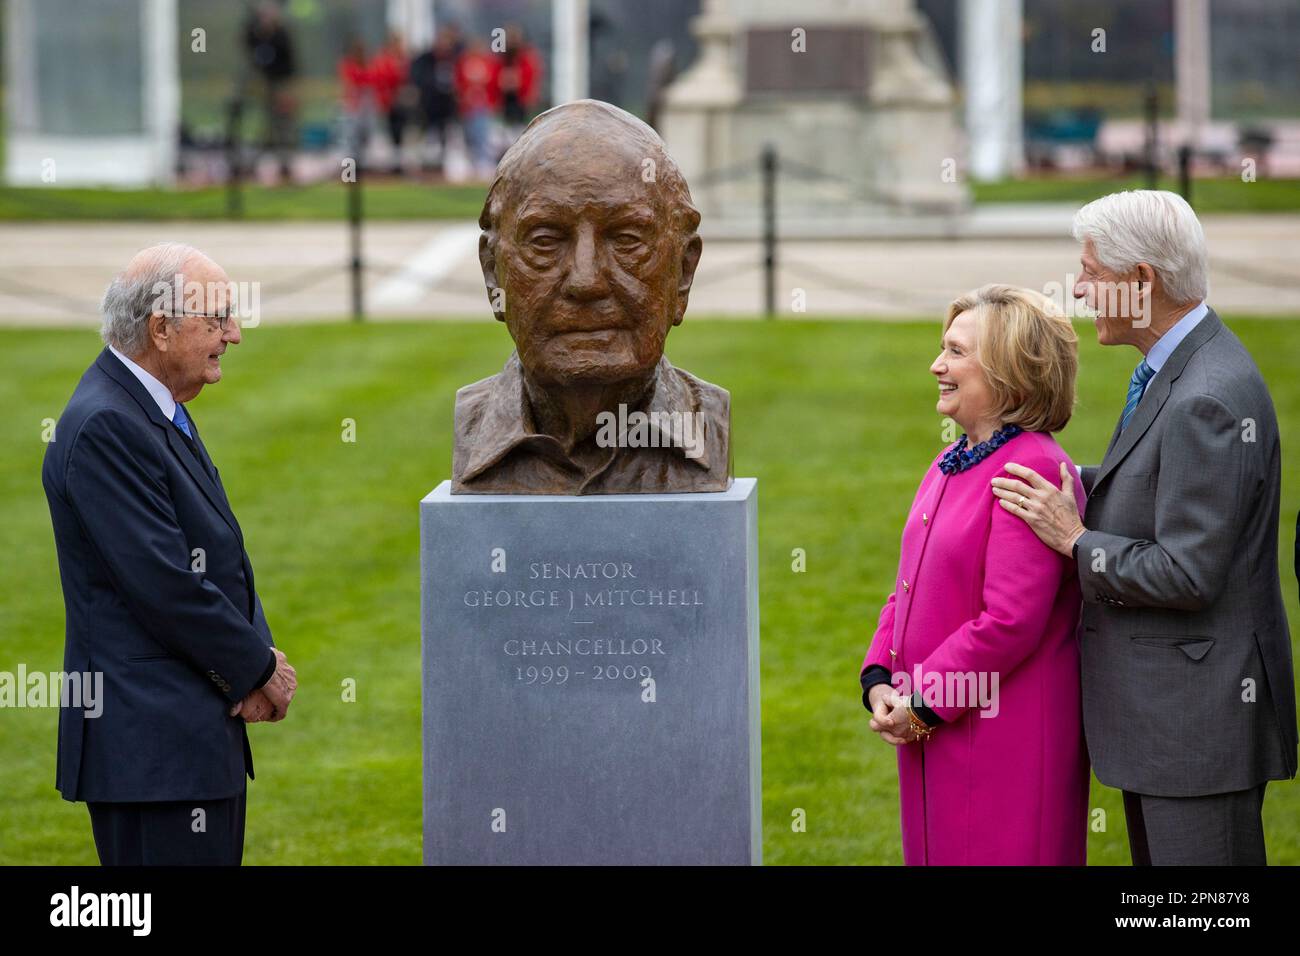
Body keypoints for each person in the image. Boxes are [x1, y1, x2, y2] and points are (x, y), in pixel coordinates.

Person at [995, 190, 1298, 865]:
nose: (1079, 289)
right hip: (1174, 723)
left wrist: (1075, 540)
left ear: (1141, 283)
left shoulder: (1206, 397)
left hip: (1196, 726)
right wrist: (1057, 473)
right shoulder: (1183, 367)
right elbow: (1156, 479)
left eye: (1091, 273)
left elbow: (1187, 572)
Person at [42, 243, 297, 865]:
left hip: (184, 743)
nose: (233, 335)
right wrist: (257, 669)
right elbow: (165, 584)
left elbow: (220, 553)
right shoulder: (109, 425)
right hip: (152, 755)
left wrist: (254, 662)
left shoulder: (152, 406)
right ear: (161, 328)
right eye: (217, 319)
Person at [860, 284, 1089, 865]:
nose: (937, 365)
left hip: (1002, 735)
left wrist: (922, 703)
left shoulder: (1031, 466)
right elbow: (907, 586)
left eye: (956, 352)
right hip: (939, 722)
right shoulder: (953, 457)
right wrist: (881, 675)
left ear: (1012, 371)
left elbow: (1010, 621)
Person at [455, 99, 729, 495]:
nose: (586, 282)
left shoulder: (708, 426)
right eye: (545, 241)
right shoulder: (471, 426)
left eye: (627, 239)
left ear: (683, 272)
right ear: (493, 271)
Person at [409, 23, 462, 173]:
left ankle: (446, 171)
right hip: (428, 110)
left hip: (448, 111)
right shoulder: (425, 59)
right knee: (429, 145)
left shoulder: (455, 58)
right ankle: (427, 171)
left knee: (448, 143)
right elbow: (416, 77)